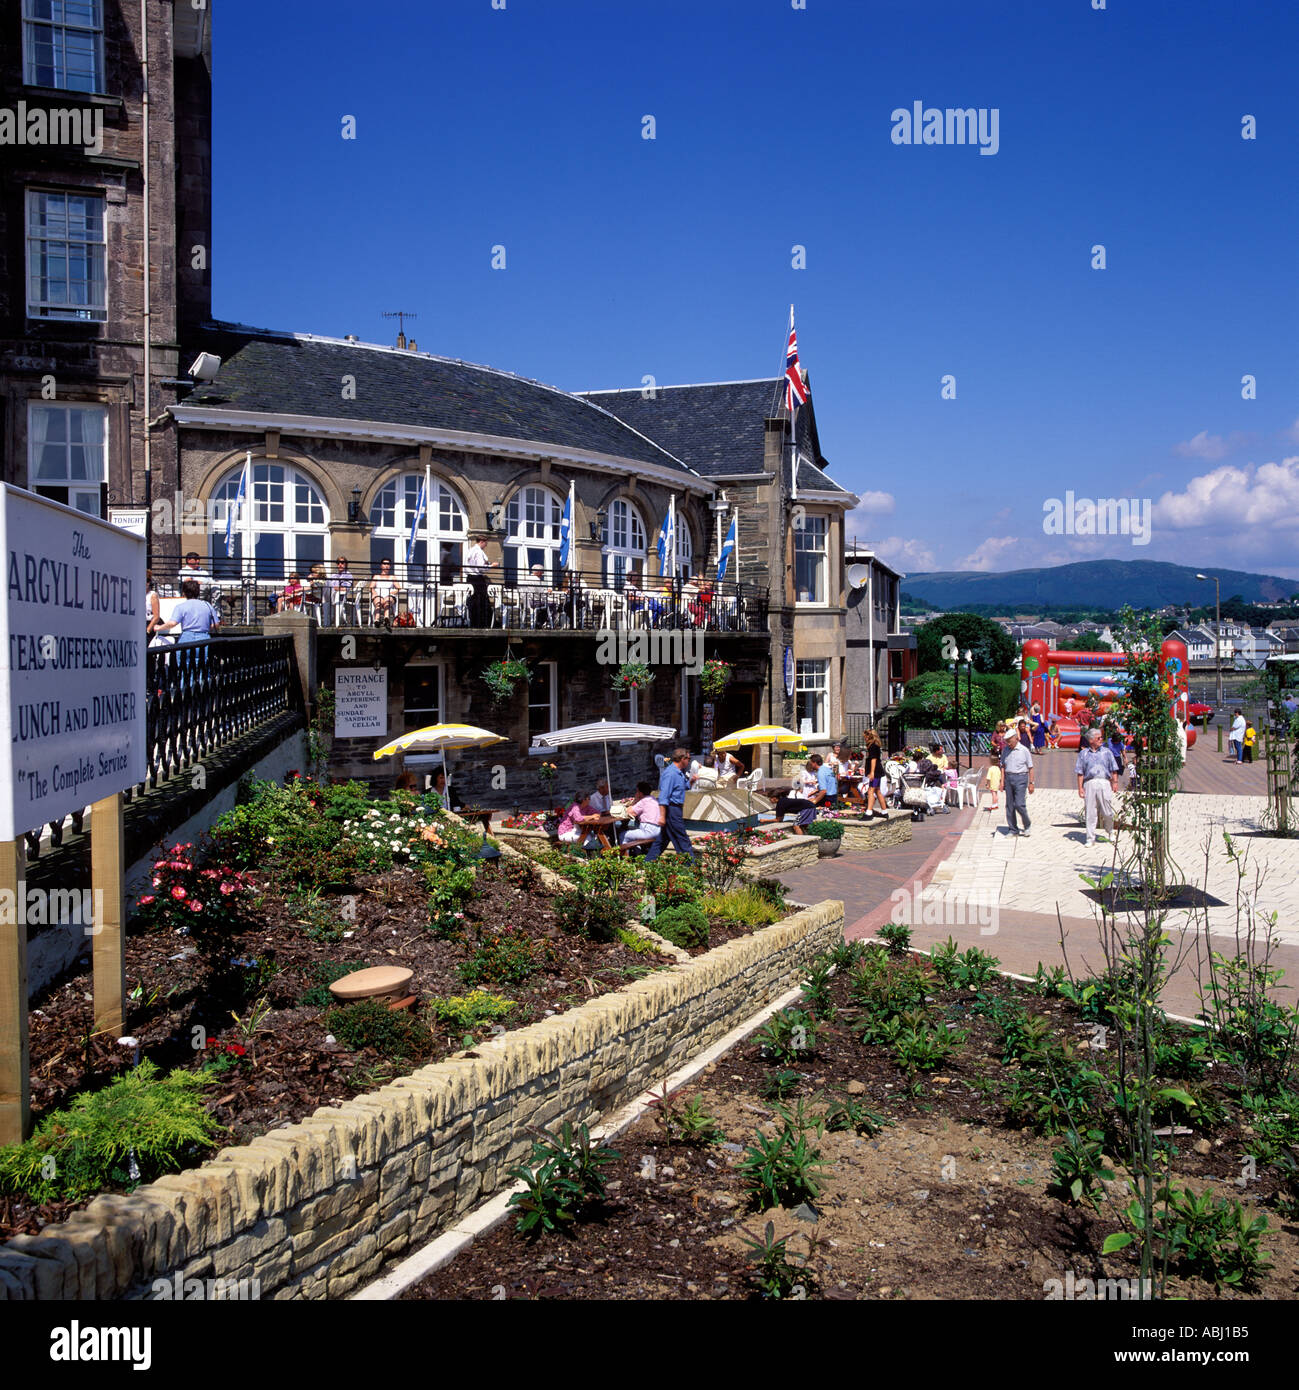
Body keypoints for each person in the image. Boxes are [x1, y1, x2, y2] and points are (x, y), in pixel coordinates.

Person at [646, 748, 697, 860]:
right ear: (682, 759)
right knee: (682, 839)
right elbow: (664, 797)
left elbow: (683, 787)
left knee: (662, 840)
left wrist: (692, 781)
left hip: (676, 809)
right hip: (671, 810)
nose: (689, 761)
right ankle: (690, 867)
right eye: (688, 758)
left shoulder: (679, 773)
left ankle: (648, 862)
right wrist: (662, 816)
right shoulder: (670, 774)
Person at [1076, 726, 1120, 847]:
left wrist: (1115, 783)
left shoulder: (1107, 752)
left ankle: (1110, 830)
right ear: (1091, 740)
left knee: (1107, 811)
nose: (1101, 740)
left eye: (1101, 737)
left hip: (1104, 782)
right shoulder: (1083, 754)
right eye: (1098, 738)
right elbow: (1080, 772)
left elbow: (1114, 769)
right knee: (1090, 812)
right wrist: (1080, 788)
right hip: (1089, 783)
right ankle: (1090, 838)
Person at [155, 578, 220, 644]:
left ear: (184, 593)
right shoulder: (208, 605)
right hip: (204, 638)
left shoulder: (181, 607)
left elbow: (172, 623)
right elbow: (216, 624)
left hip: (186, 638)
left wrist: (159, 627)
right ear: (198, 592)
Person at [1001, 725, 1035, 837]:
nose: (1008, 744)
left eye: (1010, 741)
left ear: (1016, 738)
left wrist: (1031, 783)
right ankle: (1013, 829)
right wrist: (1002, 781)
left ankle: (1027, 825)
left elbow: (1030, 767)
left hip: (1021, 777)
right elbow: (1003, 766)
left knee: (1019, 804)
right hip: (1009, 778)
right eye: (1006, 742)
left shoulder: (1024, 750)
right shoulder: (1005, 750)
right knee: (1009, 805)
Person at [620, 781, 663, 849]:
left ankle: (625, 857)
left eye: (637, 791)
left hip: (649, 831)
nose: (636, 793)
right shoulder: (653, 799)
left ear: (640, 793)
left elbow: (629, 812)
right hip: (658, 830)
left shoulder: (643, 801)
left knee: (623, 835)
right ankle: (637, 852)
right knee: (633, 832)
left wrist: (635, 800)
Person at [465, 532, 491, 628]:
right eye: (486, 543)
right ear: (482, 542)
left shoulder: (470, 550)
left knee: (473, 601)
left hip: (469, 578)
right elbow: (481, 568)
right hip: (477, 578)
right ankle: (481, 623)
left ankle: (473, 622)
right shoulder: (479, 552)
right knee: (481, 601)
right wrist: (491, 565)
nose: (486, 545)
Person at [861, 730, 889, 819]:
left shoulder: (872, 747)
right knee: (878, 791)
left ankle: (869, 812)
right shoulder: (874, 746)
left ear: (869, 737)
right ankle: (884, 812)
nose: (864, 738)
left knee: (871, 790)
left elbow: (874, 760)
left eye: (865, 736)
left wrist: (872, 772)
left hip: (876, 772)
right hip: (878, 771)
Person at [369, 556, 400, 627]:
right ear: (381, 566)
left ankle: (386, 618)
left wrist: (393, 592)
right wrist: (374, 593)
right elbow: (371, 587)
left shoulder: (392, 577)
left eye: (388, 564)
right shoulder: (376, 576)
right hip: (378, 595)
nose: (386, 566)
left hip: (389, 596)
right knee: (378, 602)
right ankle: (376, 620)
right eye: (384, 564)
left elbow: (399, 588)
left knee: (387, 601)